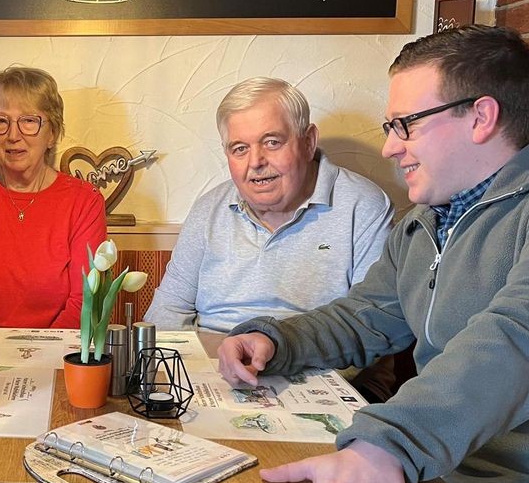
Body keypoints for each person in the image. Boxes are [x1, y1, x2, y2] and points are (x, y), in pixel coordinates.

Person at [218, 25, 529, 483]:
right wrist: (274, 340)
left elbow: (517, 340)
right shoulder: (423, 224)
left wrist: (387, 445)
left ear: (481, 116)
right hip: (454, 473)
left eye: (406, 125)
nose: (391, 145)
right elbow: (362, 317)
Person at [145, 77, 392, 333]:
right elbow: (169, 310)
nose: (256, 162)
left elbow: (369, 326)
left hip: (313, 364)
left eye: (272, 142)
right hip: (210, 363)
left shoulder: (363, 207)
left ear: (308, 142)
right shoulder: (208, 210)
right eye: (240, 148)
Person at [0, 66, 106, 328]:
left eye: (29, 121)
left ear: (51, 133)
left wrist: (40, 356)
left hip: (55, 353)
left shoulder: (84, 201)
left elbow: (83, 302)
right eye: (1, 121)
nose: (13, 135)